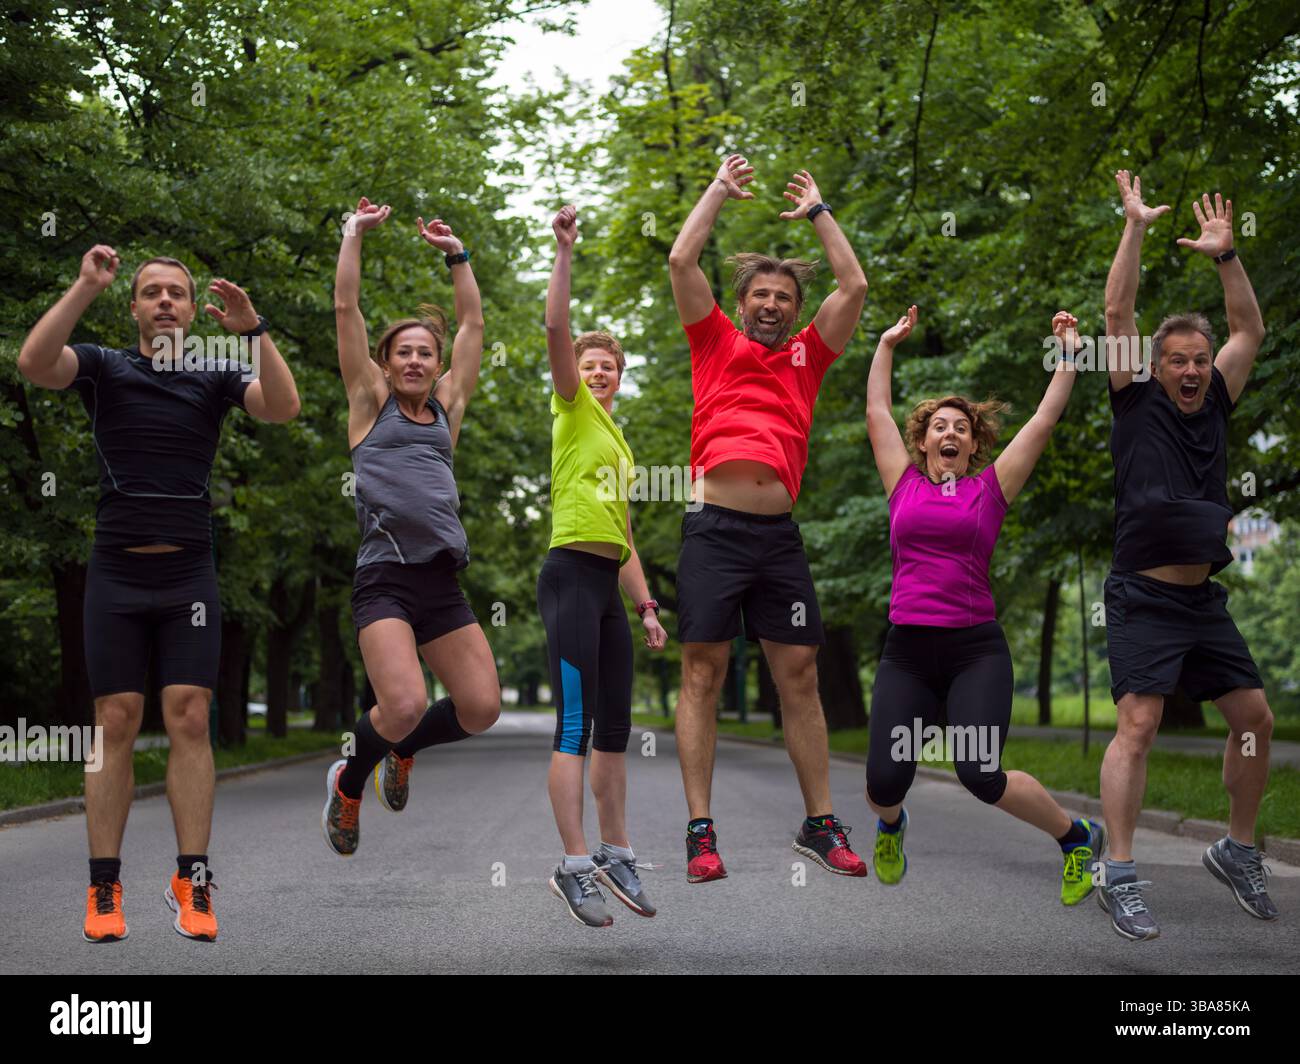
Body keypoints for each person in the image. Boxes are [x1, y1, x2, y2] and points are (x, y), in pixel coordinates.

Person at [18, 245, 301, 943]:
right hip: (115, 571)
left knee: (190, 718)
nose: (167, 301)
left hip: (188, 577)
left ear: (190, 305)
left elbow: (284, 408)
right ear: (136, 307)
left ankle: (193, 882)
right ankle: (105, 887)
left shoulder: (213, 374)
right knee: (113, 720)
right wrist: (86, 285)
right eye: (153, 293)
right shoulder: (107, 368)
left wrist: (254, 330)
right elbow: (33, 363)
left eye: (177, 291)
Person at [667, 155, 869, 881]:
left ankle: (819, 823)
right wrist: (718, 188)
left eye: (785, 295)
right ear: (742, 300)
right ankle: (700, 831)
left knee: (801, 675)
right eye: (761, 293)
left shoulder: (810, 356)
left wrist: (819, 212)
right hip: (714, 530)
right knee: (703, 671)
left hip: (776, 538)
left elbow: (854, 285)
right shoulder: (713, 342)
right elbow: (681, 256)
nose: (774, 304)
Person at [864, 305, 1105, 903]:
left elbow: (1044, 421)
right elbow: (874, 411)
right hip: (908, 653)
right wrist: (887, 344)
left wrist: (1069, 356)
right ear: (921, 442)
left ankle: (1076, 837)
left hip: (974, 651)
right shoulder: (903, 484)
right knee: (883, 781)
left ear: (974, 445)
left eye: (961, 429)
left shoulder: (990, 489)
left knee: (980, 775)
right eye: (939, 427)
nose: (950, 433)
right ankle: (892, 826)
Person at [1098, 172, 1275, 941]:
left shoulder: (1221, 397)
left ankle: (1237, 849)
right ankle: (1121, 871)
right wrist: (1135, 225)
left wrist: (1227, 255)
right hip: (1141, 594)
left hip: (1203, 601)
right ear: (1157, 365)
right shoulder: (1134, 397)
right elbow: (1116, 310)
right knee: (1137, 724)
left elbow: (1250, 333)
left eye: (1200, 359)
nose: (1194, 369)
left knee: (1253, 720)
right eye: (1179, 360)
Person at [322, 197, 500, 856]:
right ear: (386, 363)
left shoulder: (448, 409)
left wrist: (457, 256)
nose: (419, 362)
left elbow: (474, 323)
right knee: (399, 704)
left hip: (442, 585)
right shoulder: (370, 405)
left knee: (481, 708)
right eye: (405, 354)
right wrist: (353, 236)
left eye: (428, 353)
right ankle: (350, 782)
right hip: (384, 583)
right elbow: (346, 311)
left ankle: (406, 751)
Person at [539, 204, 668, 927]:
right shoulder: (570, 409)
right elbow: (558, 327)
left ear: (620, 378)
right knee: (573, 727)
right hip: (566, 580)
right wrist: (566, 253)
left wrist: (646, 604)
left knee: (615, 728)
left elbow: (624, 533)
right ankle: (572, 864)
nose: (597, 374)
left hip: (608, 590)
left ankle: (616, 851)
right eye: (590, 366)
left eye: (608, 368)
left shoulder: (617, 442)